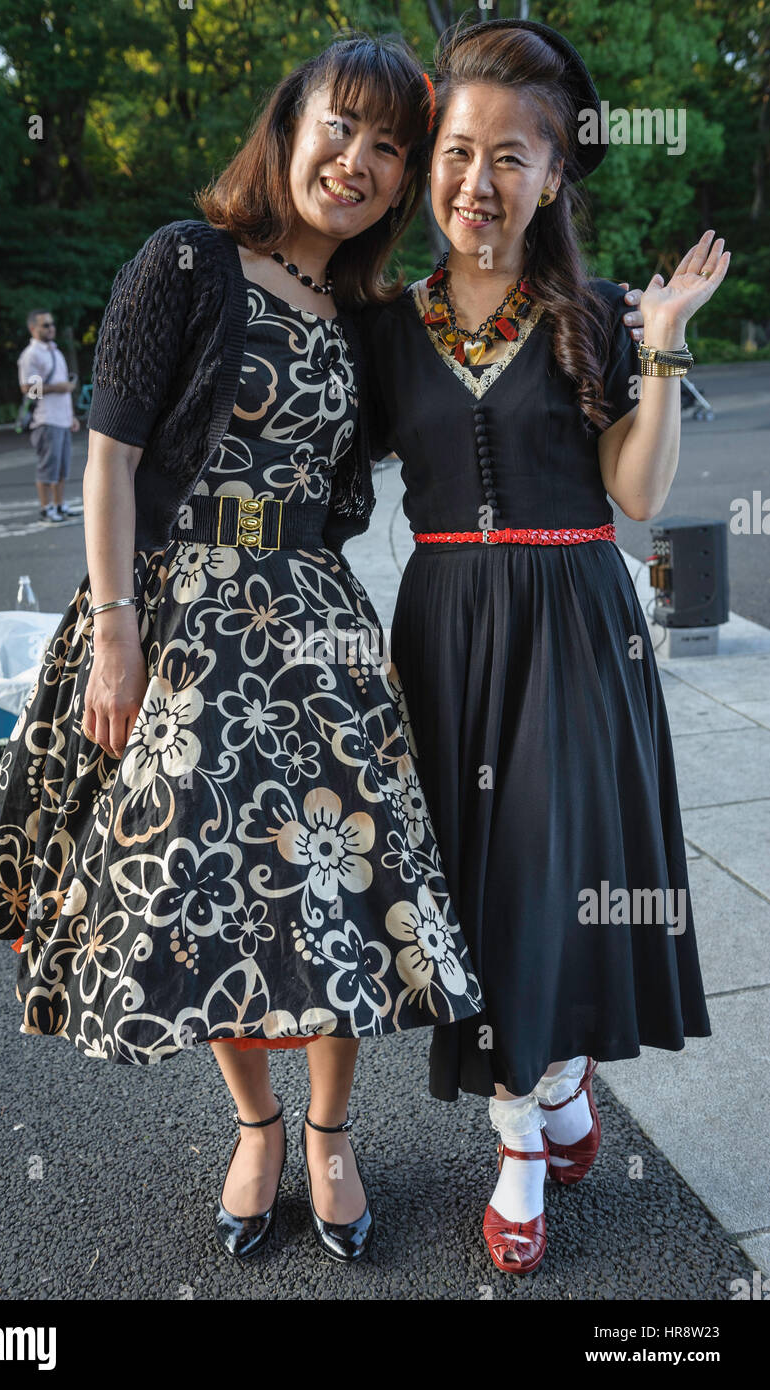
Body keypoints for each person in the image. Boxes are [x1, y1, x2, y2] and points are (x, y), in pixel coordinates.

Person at [0, 34, 486, 1267]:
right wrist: (115, 630)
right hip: (178, 620)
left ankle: (330, 1131)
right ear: (289, 125)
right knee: (205, 891)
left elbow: (460, 399)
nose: (355, 160)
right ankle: (256, 1122)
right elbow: (111, 457)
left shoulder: (370, 316)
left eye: (388, 147)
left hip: (318, 627)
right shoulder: (185, 260)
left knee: (338, 885)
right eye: (338, 126)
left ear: (402, 184)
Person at [358, 17, 720, 1274]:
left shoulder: (596, 314)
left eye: (511, 156)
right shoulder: (382, 323)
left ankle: (519, 1144)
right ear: (428, 164)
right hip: (444, 636)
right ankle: (559, 1089)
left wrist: (662, 342)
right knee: (472, 889)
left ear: (555, 173)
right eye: (457, 153)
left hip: (574, 627)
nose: (478, 182)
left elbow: (639, 493)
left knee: (546, 877)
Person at [17, 310, 81, 524]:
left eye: (52, 324)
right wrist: (58, 387)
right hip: (45, 419)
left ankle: (59, 505)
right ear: (33, 328)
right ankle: (46, 508)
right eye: (45, 325)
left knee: (62, 468)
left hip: (62, 418)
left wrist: (71, 416)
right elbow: (29, 389)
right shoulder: (32, 355)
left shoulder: (55, 352)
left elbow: (64, 390)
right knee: (47, 468)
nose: (51, 328)